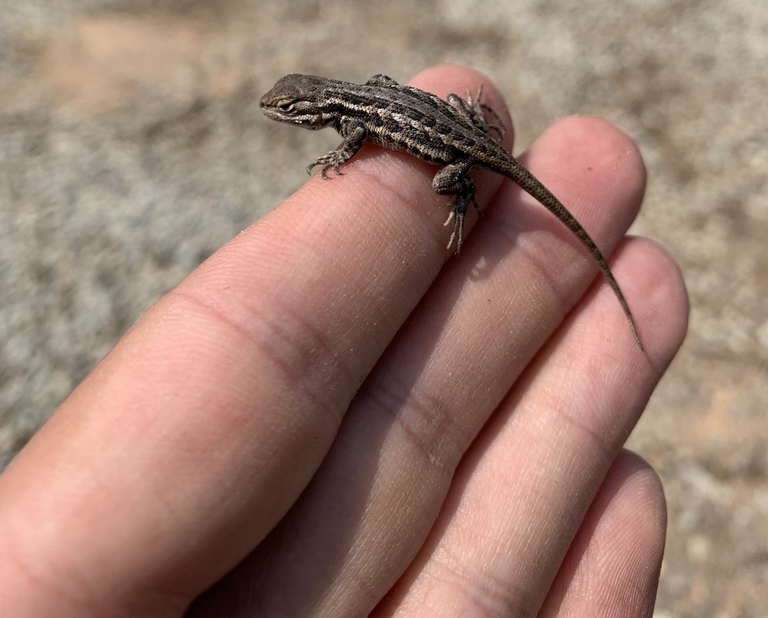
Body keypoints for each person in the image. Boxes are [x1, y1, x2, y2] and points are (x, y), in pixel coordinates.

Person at [0, 66, 687, 617]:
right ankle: (476, 136)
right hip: (456, 125)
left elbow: (364, 132)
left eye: (288, 111)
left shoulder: (355, 120)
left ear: (314, 112)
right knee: (452, 116)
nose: (283, 114)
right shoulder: (367, 95)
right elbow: (388, 86)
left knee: (458, 177)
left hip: (459, 158)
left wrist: (454, 196)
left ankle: (466, 202)